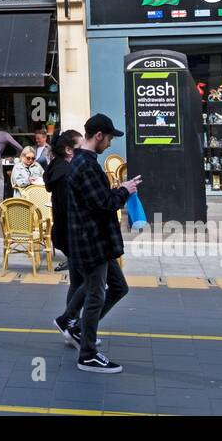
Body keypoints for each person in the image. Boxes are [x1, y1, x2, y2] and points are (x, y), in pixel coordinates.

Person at [54, 114, 140, 374]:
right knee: (96, 294)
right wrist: (124, 190)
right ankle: (88, 353)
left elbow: (97, 199)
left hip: (94, 240)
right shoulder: (86, 165)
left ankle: (74, 325)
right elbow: (103, 203)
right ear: (99, 135)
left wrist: (121, 189)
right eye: (110, 138)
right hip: (92, 241)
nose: (111, 143)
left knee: (117, 287)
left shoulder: (84, 162)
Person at [44, 130, 80, 271]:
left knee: (83, 287)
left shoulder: (57, 169)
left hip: (67, 237)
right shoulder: (67, 174)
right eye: (80, 147)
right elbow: (71, 208)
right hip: (75, 238)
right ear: (68, 150)